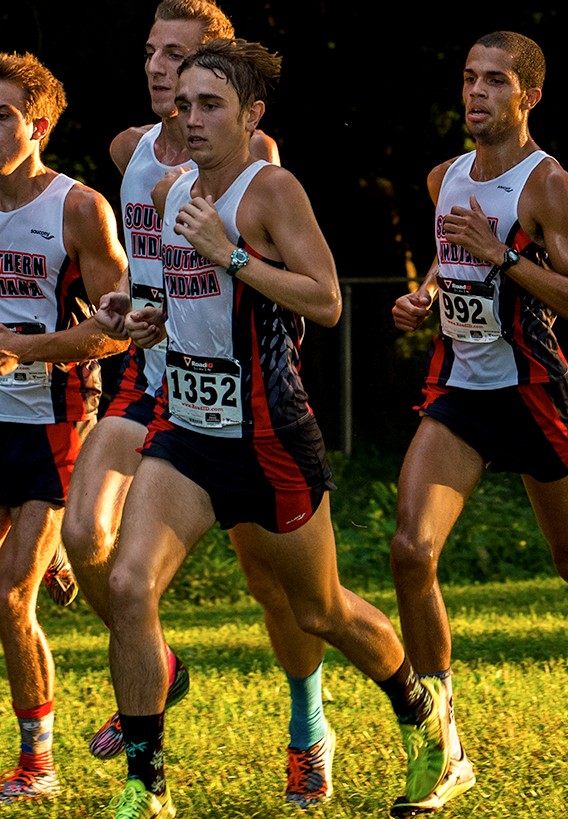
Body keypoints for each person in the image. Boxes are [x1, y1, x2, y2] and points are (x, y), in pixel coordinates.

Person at [95, 38, 451, 818]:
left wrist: (229, 255)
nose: (191, 118)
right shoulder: (170, 190)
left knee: (320, 609)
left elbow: (326, 300)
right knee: (127, 583)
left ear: (251, 115)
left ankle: (425, 717)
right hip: (185, 431)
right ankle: (145, 786)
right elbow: (183, 301)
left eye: (210, 104)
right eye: (184, 104)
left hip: (268, 437)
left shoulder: (271, 191)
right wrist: (142, 316)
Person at [58, 1, 335, 808]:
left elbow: (282, 281)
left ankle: (307, 725)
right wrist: (127, 307)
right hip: (151, 373)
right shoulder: (128, 150)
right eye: (150, 51)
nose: (156, 68)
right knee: (85, 535)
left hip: (234, 391)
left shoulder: (257, 165)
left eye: (175, 56)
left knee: (272, 584)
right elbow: (146, 269)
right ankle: (157, 676)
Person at [389, 30, 568, 816]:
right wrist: (425, 296)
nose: (475, 93)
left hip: (532, 390)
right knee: (410, 549)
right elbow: (451, 259)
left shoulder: (547, 185)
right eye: (468, 78)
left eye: (494, 81)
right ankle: (443, 747)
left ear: (529, 96)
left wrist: (505, 257)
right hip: (459, 391)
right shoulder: (444, 177)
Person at [0, 51, 130, 803]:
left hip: (55, 418)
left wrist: (23, 350)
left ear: (39, 126)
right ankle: (54, 557)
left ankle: (37, 764)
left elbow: (117, 332)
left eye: (2, 115)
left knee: (9, 597)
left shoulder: (79, 208)